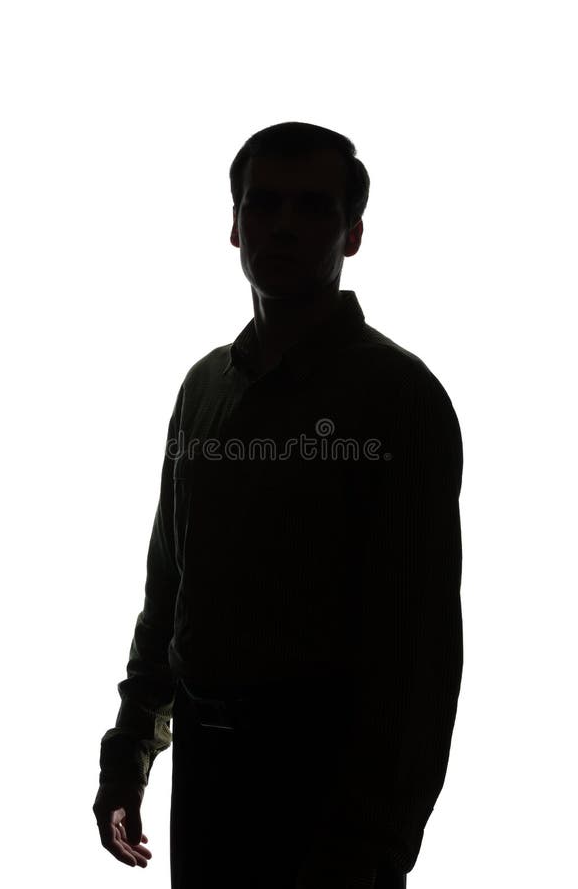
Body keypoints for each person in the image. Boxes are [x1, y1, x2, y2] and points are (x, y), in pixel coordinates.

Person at [93, 121, 464, 889]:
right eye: (263, 205)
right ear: (233, 225)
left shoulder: (399, 398)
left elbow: (420, 653)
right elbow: (171, 589)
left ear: (353, 232)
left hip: (327, 791)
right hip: (206, 774)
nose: (283, 225)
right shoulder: (204, 388)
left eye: (313, 208)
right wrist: (129, 751)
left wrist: (374, 845)